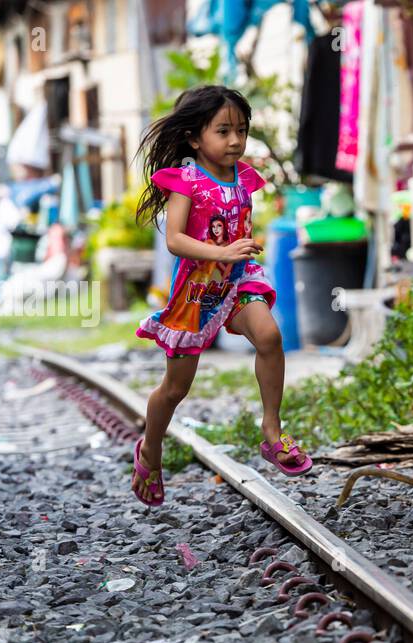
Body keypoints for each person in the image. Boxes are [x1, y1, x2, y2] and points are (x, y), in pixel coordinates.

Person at [130, 85, 312, 507]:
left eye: (242, 131)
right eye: (223, 131)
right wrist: (221, 251)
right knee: (175, 391)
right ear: (195, 138)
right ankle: (151, 449)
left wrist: (238, 252)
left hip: (238, 280)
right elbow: (175, 239)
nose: (235, 141)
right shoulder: (186, 181)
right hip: (196, 293)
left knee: (269, 337)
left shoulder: (245, 177)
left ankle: (271, 429)